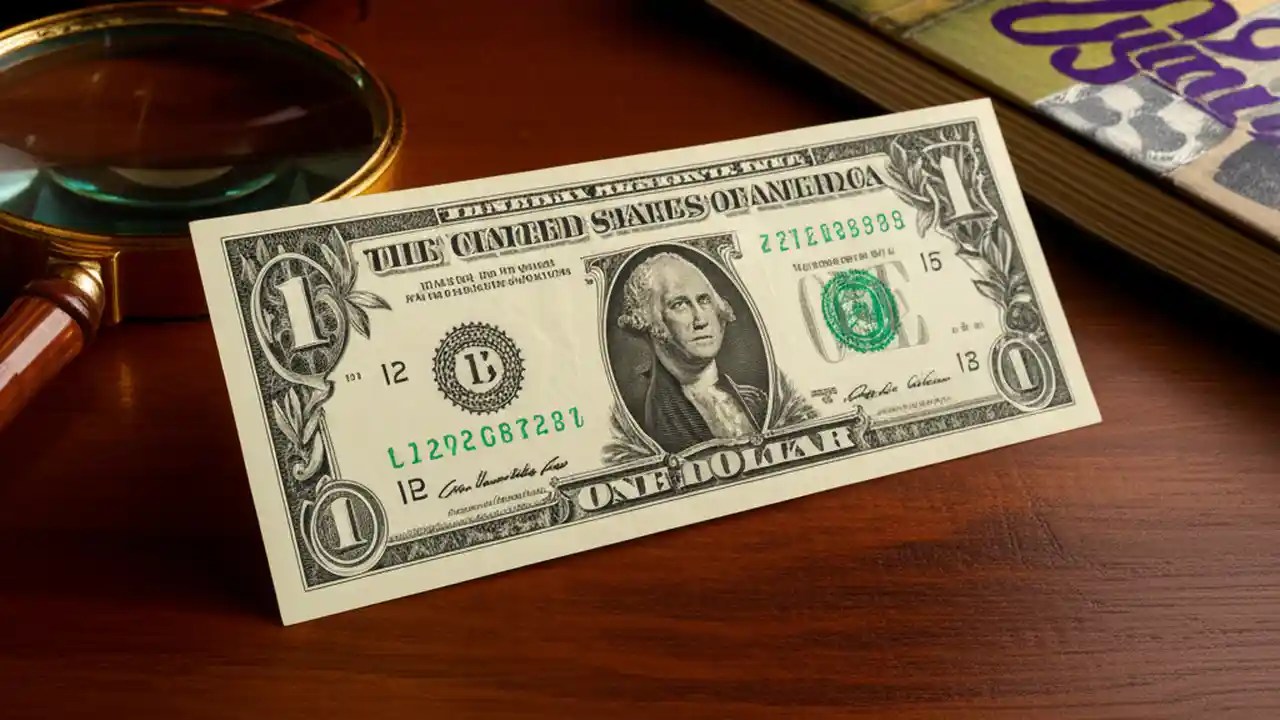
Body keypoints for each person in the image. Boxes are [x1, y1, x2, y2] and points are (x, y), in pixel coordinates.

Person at [616, 251, 766, 454]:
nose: (701, 320)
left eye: (704, 300)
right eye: (679, 305)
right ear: (648, 321)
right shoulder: (649, 424)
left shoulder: (757, 400)